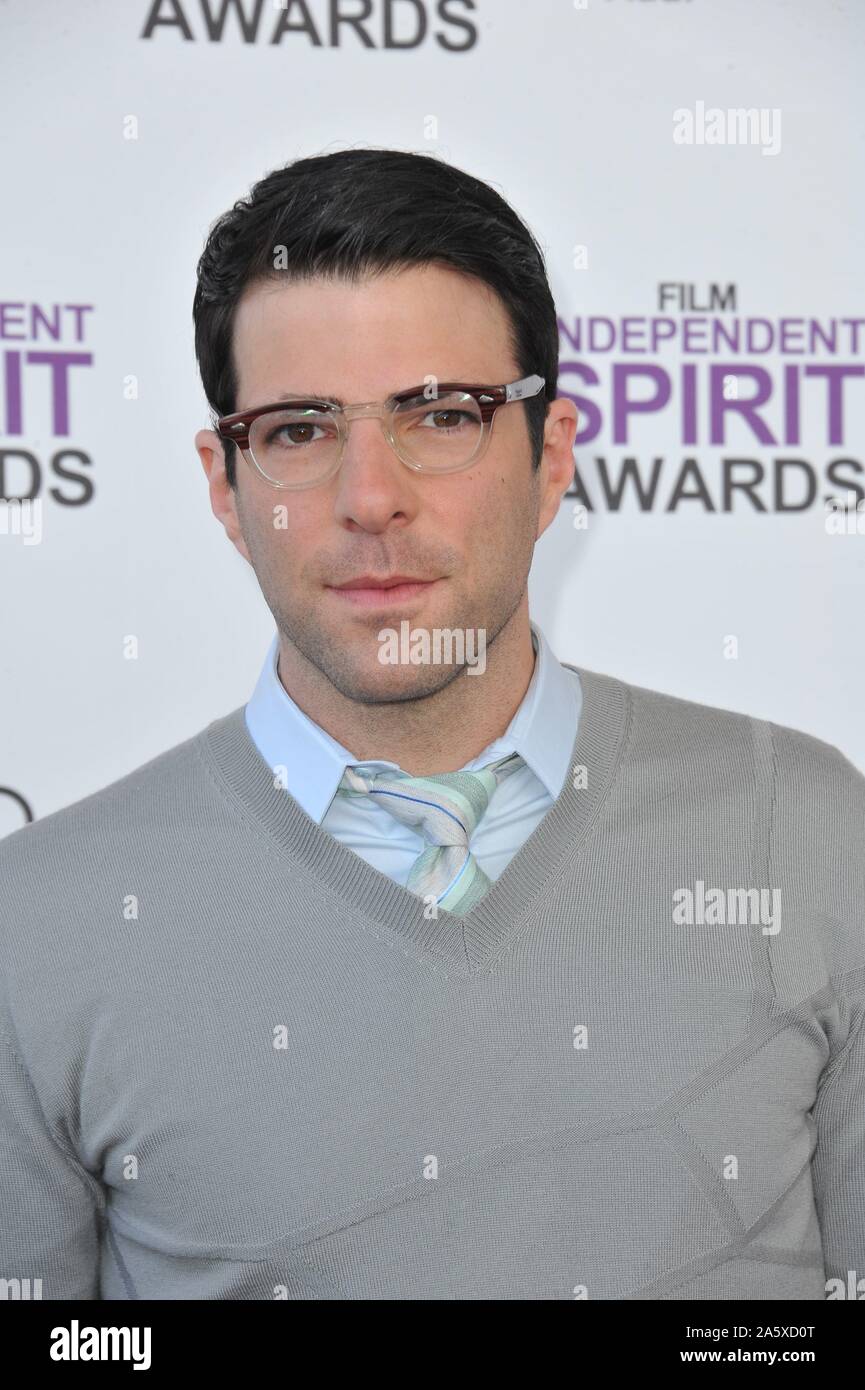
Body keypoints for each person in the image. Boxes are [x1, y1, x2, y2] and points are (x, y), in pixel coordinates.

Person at [1, 148, 862, 1302]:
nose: (370, 496)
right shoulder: (40, 924)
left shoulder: (803, 831)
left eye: (441, 415)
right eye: (300, 430)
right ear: (225, 485)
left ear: (550, 456)